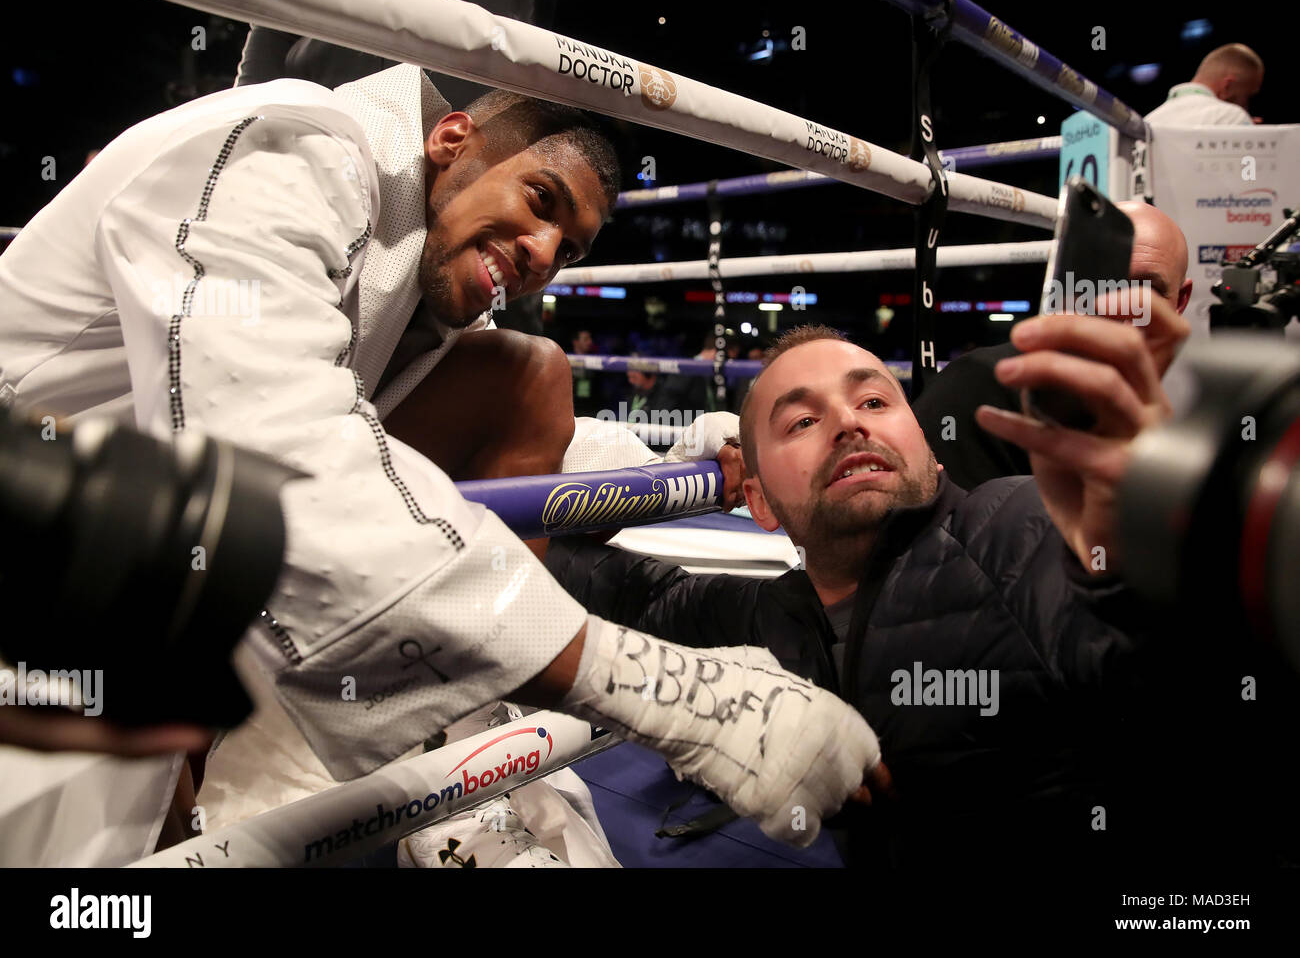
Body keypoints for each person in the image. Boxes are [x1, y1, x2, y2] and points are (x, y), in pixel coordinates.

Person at [0, 63, 881, 862]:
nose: (543, 253)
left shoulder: (421, 279)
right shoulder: (289, 151)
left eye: (569, 249)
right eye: (541, 200)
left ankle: (448, 728)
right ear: (452, 137)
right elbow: (275, 448)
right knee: (90, 857)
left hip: (148, 538)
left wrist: (684, 454)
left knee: (525, 372)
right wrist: (673, 695)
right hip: (47, 535)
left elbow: (496, 443)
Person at [546, 310, 1300, 868]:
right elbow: (590, 577)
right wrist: (670, 469)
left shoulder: (1014, 526)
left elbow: (1166, 661)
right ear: (764, 503)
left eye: (875, 402)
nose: (848, 422)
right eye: (803, 419)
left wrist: (1149, 558)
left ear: (932, 458)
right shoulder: (766, 617)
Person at [912, 201, 1193, 489]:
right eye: (1100, 285)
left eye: (1145, 292)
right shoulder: (978, 387)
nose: (1117, 308)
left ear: (1179, 301)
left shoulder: (1202, 405)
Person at [1145, 43, 1265, 126]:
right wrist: (1251, 136)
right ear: (1227, 86)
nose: (1246, 106)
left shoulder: (1148, 122)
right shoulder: (1232, 116)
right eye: (1248, 96)